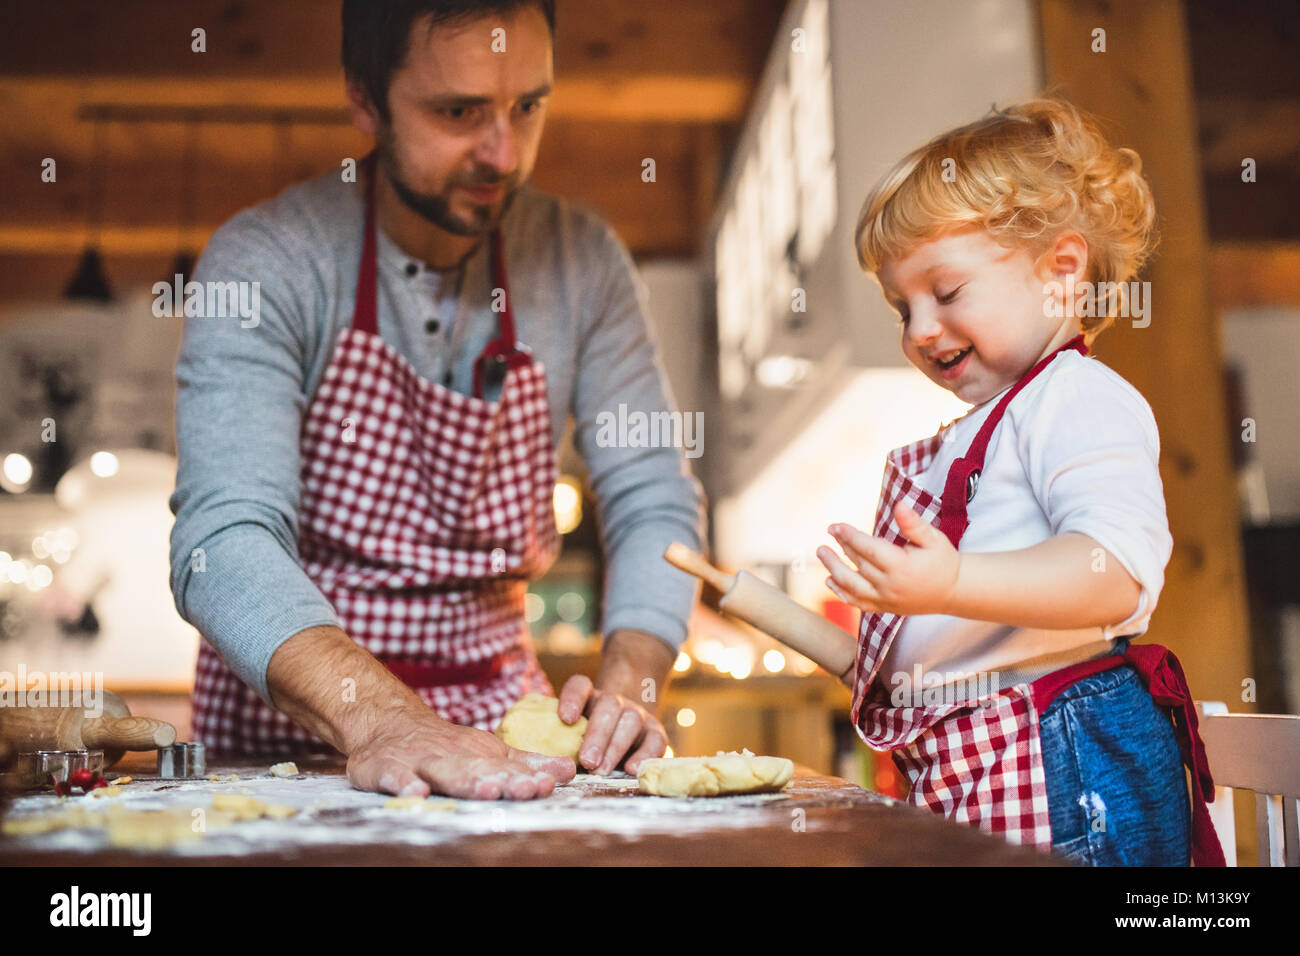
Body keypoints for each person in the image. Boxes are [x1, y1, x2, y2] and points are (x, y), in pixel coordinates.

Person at [168, 0, 704, 801]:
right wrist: (382, 717)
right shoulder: (265, 261)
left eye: (529, 106)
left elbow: (655, 501)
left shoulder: (583, 263)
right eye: (459, 112)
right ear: (364, 97)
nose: (503, 151)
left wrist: (631, 686)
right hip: (290, 741)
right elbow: (222, 538)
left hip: (504, 727)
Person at [817, 98, 1224, 865]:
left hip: (1059, 754)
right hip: (984, 755)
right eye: (901, 307)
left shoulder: (1074, 398)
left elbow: (1115, 573)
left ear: (1060, 273)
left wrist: (950, 582)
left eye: (946, 291)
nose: (919, 329)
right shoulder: (980, 428)